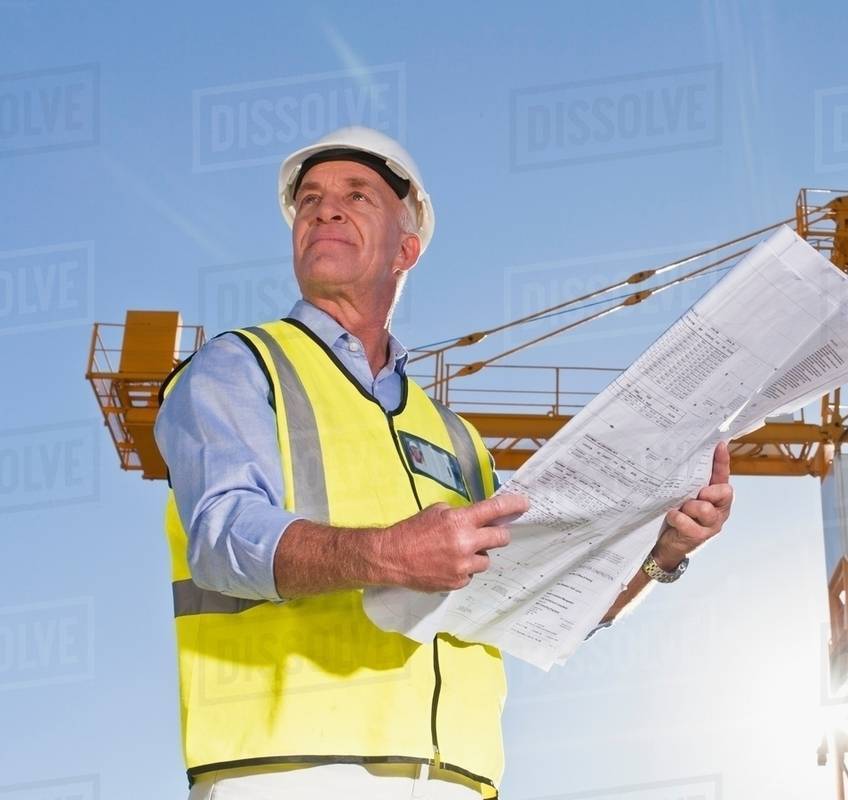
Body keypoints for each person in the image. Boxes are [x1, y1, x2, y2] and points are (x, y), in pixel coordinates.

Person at [154, 126, 734, 800]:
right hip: (296, 772)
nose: (324, 209)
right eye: (309, 199)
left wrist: (658, 554)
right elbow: (223, 540)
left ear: (407, 248)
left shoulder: (457, 438)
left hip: (459, 783)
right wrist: (387, 554)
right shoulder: (240, 366)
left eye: (357, 195)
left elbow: (538, 602)